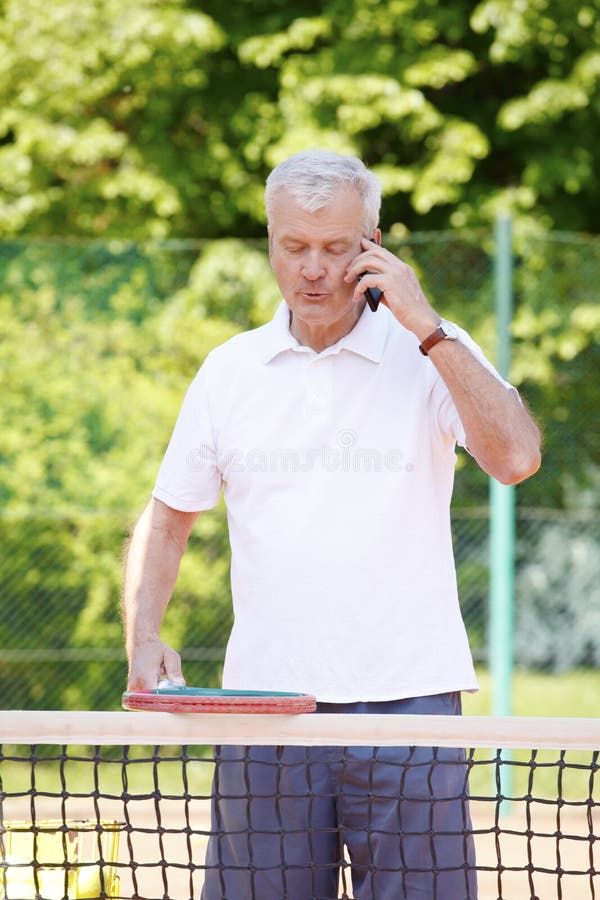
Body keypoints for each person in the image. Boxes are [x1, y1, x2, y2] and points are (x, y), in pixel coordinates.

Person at [123, 150, 541, 899]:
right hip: (263, 713)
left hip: (412, 711)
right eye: (295, 246)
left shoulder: (433, 352)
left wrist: (428, 325)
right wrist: (144, 634)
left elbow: (515, 458)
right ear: (271, 242)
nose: (313, 268)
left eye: (336, 247)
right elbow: (168, 517)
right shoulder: (229, 370)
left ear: (372, 244)